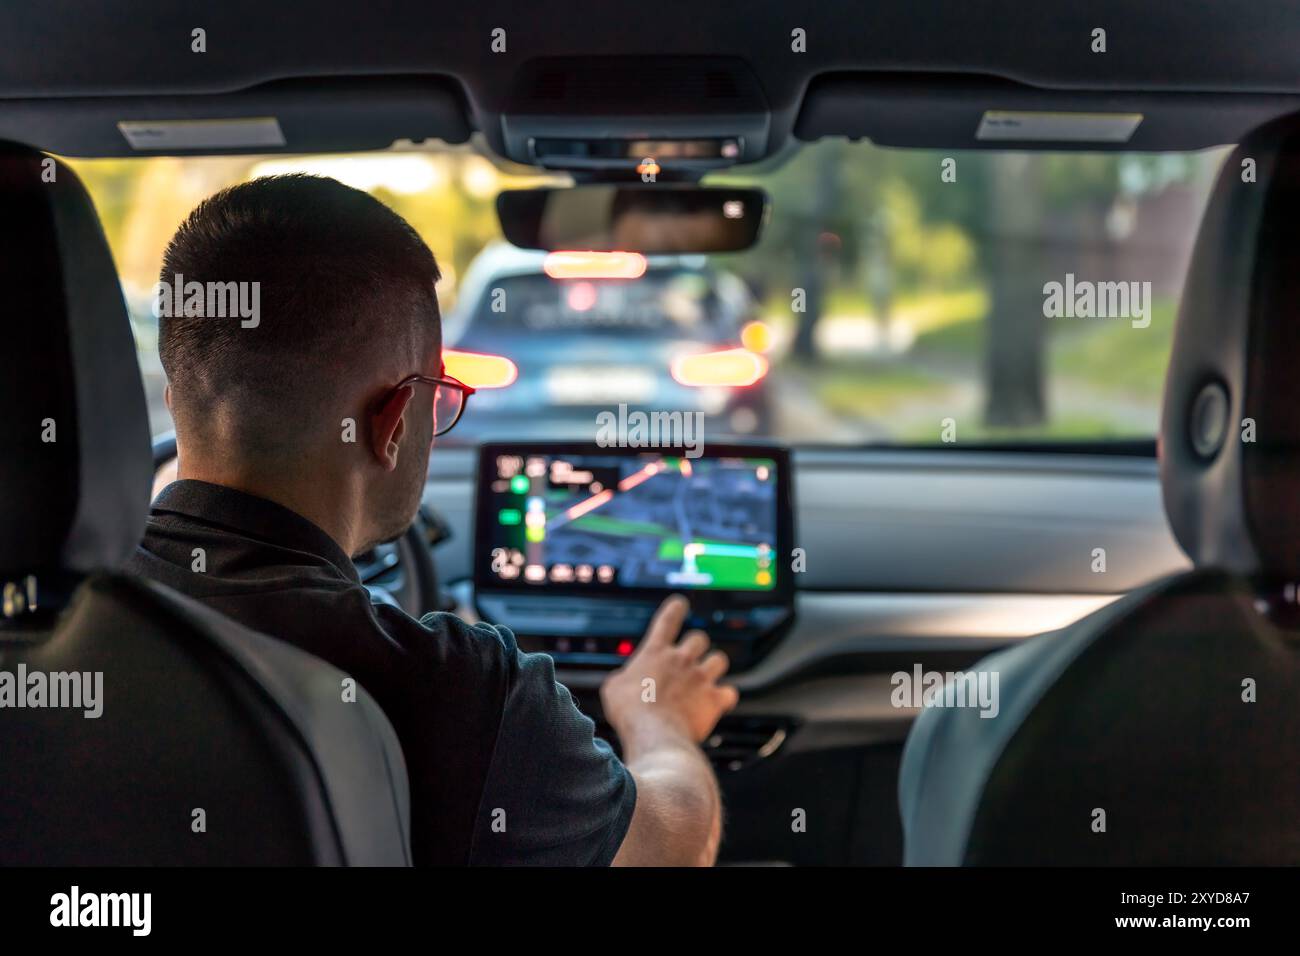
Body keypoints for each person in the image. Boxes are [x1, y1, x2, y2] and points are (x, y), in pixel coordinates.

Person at [129, 174, 739, 866]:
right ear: (391, 423)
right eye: (440, 395)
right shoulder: (466, 696)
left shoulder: (42, 625)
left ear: (177, 397)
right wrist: (660, 723)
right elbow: (671, 846)